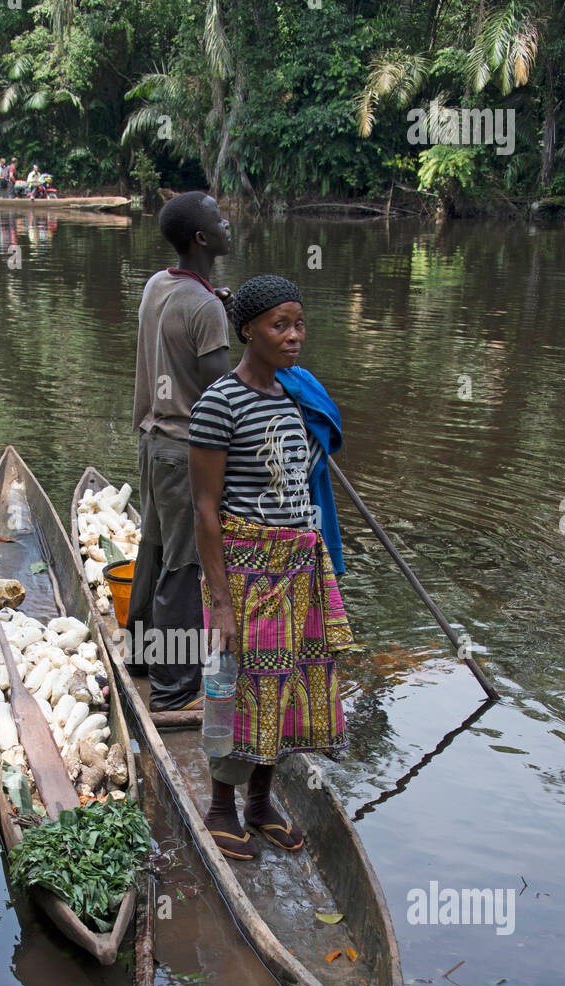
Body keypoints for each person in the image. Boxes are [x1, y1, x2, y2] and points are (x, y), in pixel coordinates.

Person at [188, 275, 354, 859]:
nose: (293, 337)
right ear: (248, 331)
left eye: (299, 324)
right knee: (236, 687)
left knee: (286, 688)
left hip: (298, 568)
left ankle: (260, 803)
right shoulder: (219, 403)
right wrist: (222, 603)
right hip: (244, 569)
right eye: (279, 325)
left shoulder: (296, 397)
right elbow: (205, 510)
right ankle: (220, 808)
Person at [127, 190, 232, 711]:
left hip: (151, 442)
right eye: (218, 218)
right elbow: (224, 392)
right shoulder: (205, 307)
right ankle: (174, 689)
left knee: (153, 549)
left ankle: (141, 659)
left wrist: (220, 307)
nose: (227, 221)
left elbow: (182, 326)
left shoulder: (160, 285)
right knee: (185, 567)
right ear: (201, 237)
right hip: (182, 451)